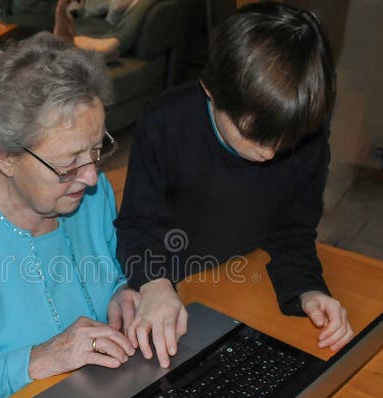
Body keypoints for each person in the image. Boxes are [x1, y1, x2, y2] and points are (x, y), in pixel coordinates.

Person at [0, 32, 186, 398]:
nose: (92, 178)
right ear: (4, 156)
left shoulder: (89, 194)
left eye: (97, 150)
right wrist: (40, 358)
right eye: (67, 165)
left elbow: (110, 268)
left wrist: (123, 293)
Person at [115, 2, 354, 351]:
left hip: (243, 278)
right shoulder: (166, 124)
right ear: (211, 91)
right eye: (255, 135)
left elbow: (293, 231)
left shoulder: (307, 137)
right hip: (172, 279)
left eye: (287, 140)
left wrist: (308, 289)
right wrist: (154, 282)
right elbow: (139, 222)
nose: (270, 153)